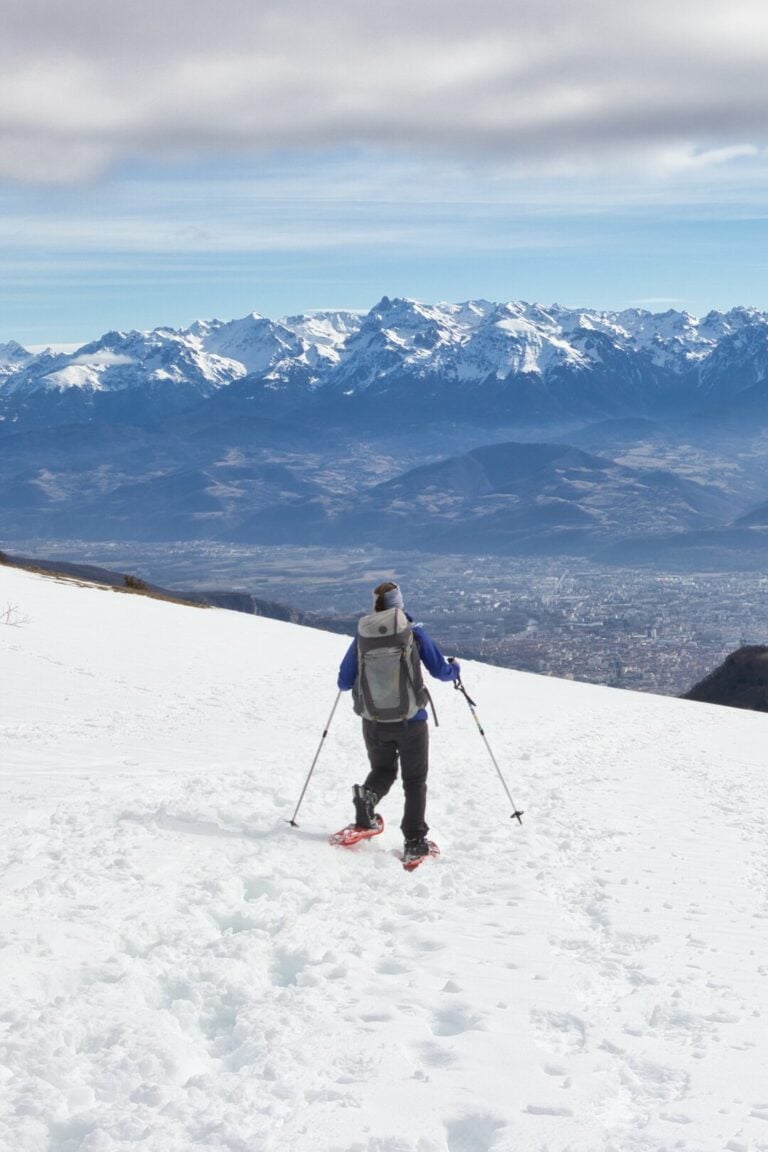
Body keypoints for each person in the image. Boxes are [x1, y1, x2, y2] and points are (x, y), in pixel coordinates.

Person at [337, 580, 460, 863]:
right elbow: (441, 672)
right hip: (411, 721)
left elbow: (344, 681)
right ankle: (415, 841)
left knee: (382, 770)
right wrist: (455, 669)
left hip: (374, 721)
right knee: (414, 781)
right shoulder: (414, 632)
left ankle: (366, 804)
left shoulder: (362, 637)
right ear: (400, 605)